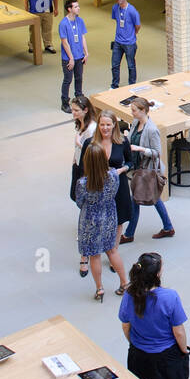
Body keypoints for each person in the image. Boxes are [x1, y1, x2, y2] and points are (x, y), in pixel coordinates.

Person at [119, 252, 188, 379]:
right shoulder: (170, 297)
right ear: (157, 274)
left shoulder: (129, 294)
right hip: (165, 357)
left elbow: (125, 325)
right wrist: (184, 350)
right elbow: (178, 331)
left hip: (139, 355)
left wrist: (135, 343)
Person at [75, 140, 128, 301]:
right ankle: (124, 283)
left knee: (94, 255)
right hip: (110, 215)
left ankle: (99, 288)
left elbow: (79, 202)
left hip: (90, 220)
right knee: (112, 250)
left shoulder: (83, 183)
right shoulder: (112, 175)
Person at [120, 97, 175, 246]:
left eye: (134, 110)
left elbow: (157, 152)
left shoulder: (151, 129)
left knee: (136, 200)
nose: (131, 113)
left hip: (147, 169)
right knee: (153, 198)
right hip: (139, 168)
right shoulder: (136, 123)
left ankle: (129, 234)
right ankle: (168, 227)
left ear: (143, 111)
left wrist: (140, 149)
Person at [92, 109, 133, 248]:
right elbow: (85, 167)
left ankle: (114, 250)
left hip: (118, 185)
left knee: (119, 219)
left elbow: (130, 162)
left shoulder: (122, 141)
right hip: (98, 185)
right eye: (102, 124)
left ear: (114, 125)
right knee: (97, 219)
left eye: (108, 125)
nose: (105, 128)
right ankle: (93, 250)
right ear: (98, 125)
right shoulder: (91, 143)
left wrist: (121, 170)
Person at [70, 94, 97, 278]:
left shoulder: (92, 129)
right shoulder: (81, 124)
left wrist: (79, 144)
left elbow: (91, 152)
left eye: (76, 110)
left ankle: (85, 255)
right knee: (76, 198)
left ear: (85, 110)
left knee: (86, 207)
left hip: (85, 170)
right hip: (78, 165)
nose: (73, 113)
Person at [58, 0, 88, 113]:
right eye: (76, 7)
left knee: (79, 78)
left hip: (79, 56)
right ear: (69, 9)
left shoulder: (80, 21)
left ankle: (79, 98)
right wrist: (71, 58)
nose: (78, 8)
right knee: (68, 79)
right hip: (68, 58)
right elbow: (64, 42)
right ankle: (65, 102)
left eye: (78, 6)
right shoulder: (63, 24)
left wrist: (86, 52)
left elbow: (82, 37)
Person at [110, 0, 140, 87]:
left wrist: (133, 34)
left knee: (131, 65)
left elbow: (138, 25)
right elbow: (117, 21)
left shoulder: (132, 11)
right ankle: (114, 85)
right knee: (115, 65)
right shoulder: (115, 8)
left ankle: (132, 85)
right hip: (118, 41)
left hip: (129, 43)